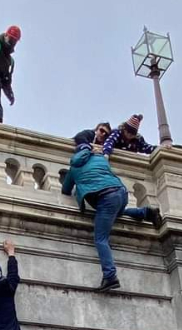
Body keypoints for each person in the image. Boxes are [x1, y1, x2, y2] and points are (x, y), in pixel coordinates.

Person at [62, 119, 164, 292]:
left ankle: (110, 276)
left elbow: (65, 190)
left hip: (105, 198)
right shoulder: (100, 159)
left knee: (100, 238)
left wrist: (71, 182)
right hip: (120, 192)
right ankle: (146, 212)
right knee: (116, 214)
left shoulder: (73, 167)